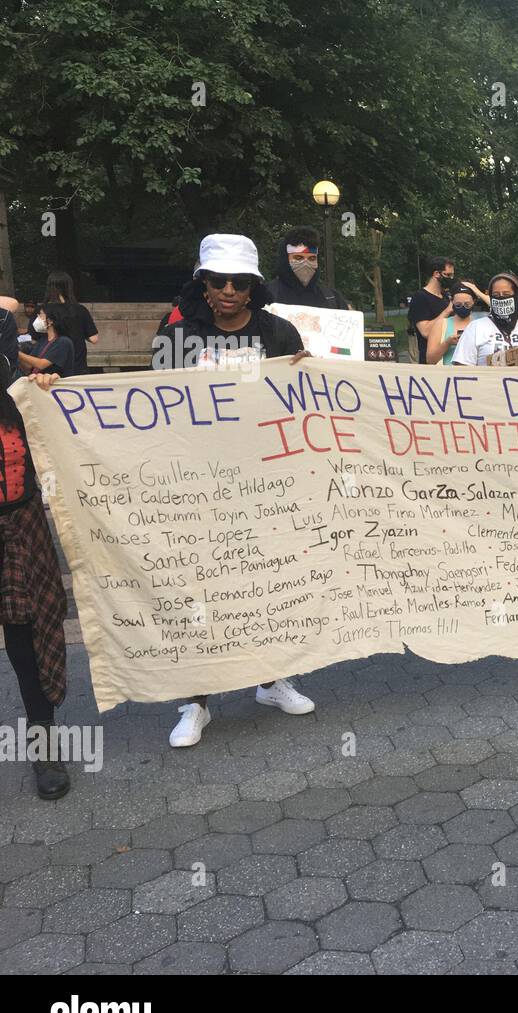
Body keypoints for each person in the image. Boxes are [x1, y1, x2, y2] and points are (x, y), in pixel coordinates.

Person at [154, 233, 319, 745]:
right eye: (218, 281)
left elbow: (306, 399)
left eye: (239, 283)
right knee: (201, 589)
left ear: (252, 288)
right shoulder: (176, 334)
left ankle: (270, 680)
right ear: (202, 284)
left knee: (266, 584)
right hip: (198, 480)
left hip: (265, 478)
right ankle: (196, 701)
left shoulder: (278, 333)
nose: (228, 291)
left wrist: (310, 370)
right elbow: (153, 405)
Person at [1, 371, 72, 799]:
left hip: (22, 528)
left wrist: (50, 388)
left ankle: (43, 747)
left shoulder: (18, 399)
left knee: (29, 637)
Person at [451, 272, 518, 366]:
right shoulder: (475, 328)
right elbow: (462, 368)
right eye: (496, 295)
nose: (501, 298)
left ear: (516, 297)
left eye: (506, 294)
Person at [408, 258, 487, 364]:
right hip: (428, 358)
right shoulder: (420, 297)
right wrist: (447, 311)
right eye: (448, 275)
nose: (451, 278)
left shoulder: (445, 296)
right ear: (436, 273)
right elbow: (425, 332)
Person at [262, 225, 351, 310]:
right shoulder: (266, 294)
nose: (306, 263)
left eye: (312, 258)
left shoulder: (332, 298)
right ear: (285, 259)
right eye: (298, 258)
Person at [43, 271, 98, 375]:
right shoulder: (80, 310)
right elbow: (94, 339)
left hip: (50, 371)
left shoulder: (43, 310)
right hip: (78, 368)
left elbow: (34, 340)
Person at [424, 286, 478, 365]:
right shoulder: (441, 324)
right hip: (448, 376)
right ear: (452, 302)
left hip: (476, 375)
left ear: (474, 302)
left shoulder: (479, 325)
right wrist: (447, 343)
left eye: (467, 304)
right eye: (458, 304)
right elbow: (430, 360)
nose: (463, 307)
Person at [18, 303, 76, 376]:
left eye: (41, 315)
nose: (37, 317)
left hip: (55, 385)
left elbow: (41, 364)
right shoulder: (43, 340)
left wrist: (17, 353)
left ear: (50, 321)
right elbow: (29, 365)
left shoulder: (63, 342)